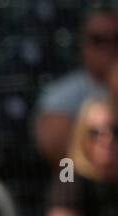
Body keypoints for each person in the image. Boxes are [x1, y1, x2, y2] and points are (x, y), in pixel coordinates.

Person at [35, 4, 118, 164]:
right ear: (83, 44)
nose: (110, 47)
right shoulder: (62, 95)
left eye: (117, 39)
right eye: (98, 40)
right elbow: (57, 153)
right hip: (81, 175)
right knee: (66, 178)